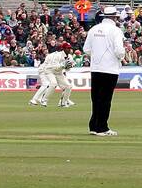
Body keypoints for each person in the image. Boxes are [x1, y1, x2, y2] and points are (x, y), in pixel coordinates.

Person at [83, 8, 125, 136]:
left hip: (95, 68)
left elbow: (86, 49)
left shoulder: (94, 29)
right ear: (114, 17)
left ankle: (94, 126)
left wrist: (96, 55)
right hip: (110, 69)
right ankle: (102, 127)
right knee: (105, 99)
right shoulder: (116, 31)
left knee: (96, 98)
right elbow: (119, 50)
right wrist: (121, 57)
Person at [31, 43, 75, 108]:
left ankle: (63, 103)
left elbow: (71, 65)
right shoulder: (57, 55)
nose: (69, 50)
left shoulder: (70, 56)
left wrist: (70, 66)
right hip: (49, 71)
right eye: (68, 48)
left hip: (59, 72)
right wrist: (63, 65)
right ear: (63, 49)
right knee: (53, 84)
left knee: (68, 86)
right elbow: (54, 67)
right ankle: (44, 100)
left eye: (70, 48)